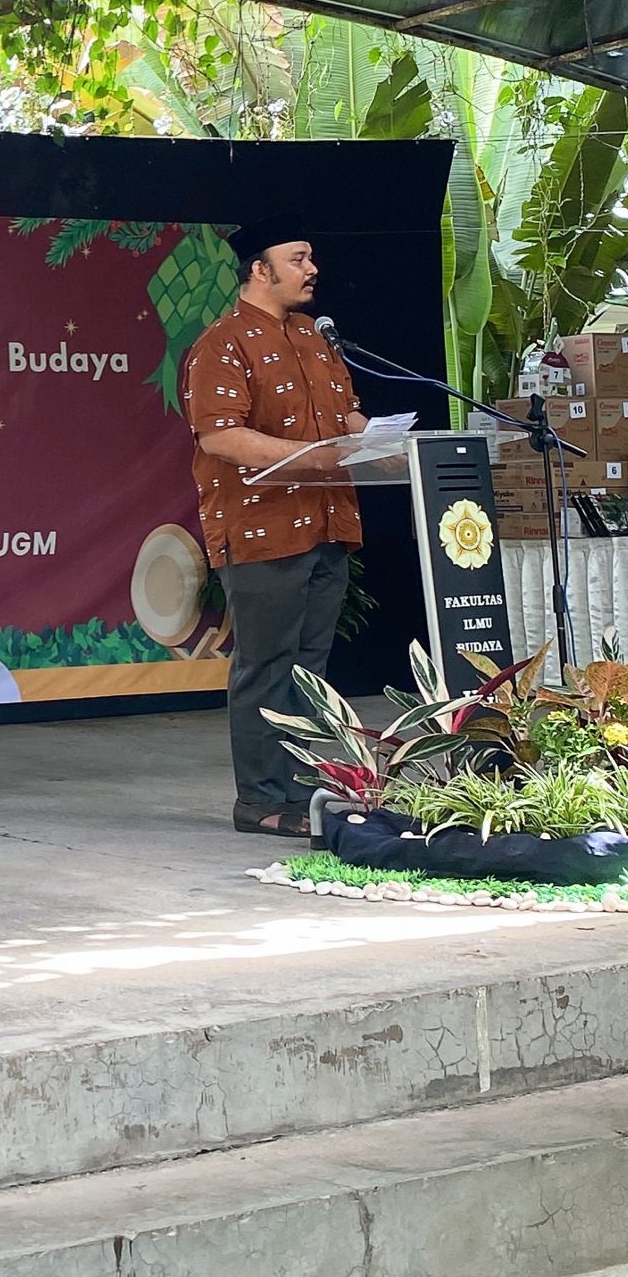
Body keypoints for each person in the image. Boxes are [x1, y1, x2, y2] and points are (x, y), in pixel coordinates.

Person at [183, 214, 368, 838]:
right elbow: (220, 434)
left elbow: (347, 420)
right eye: (298, 258)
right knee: (267, 665)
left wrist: (387, 441)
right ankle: (259, 801)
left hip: (327, 520)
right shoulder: (222, 342)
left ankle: (303, 793)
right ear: (258, 270)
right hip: (263, 529)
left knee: (308, 668)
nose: (312, 269)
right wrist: (312, 457)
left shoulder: (317, 337)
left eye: (311, 257)